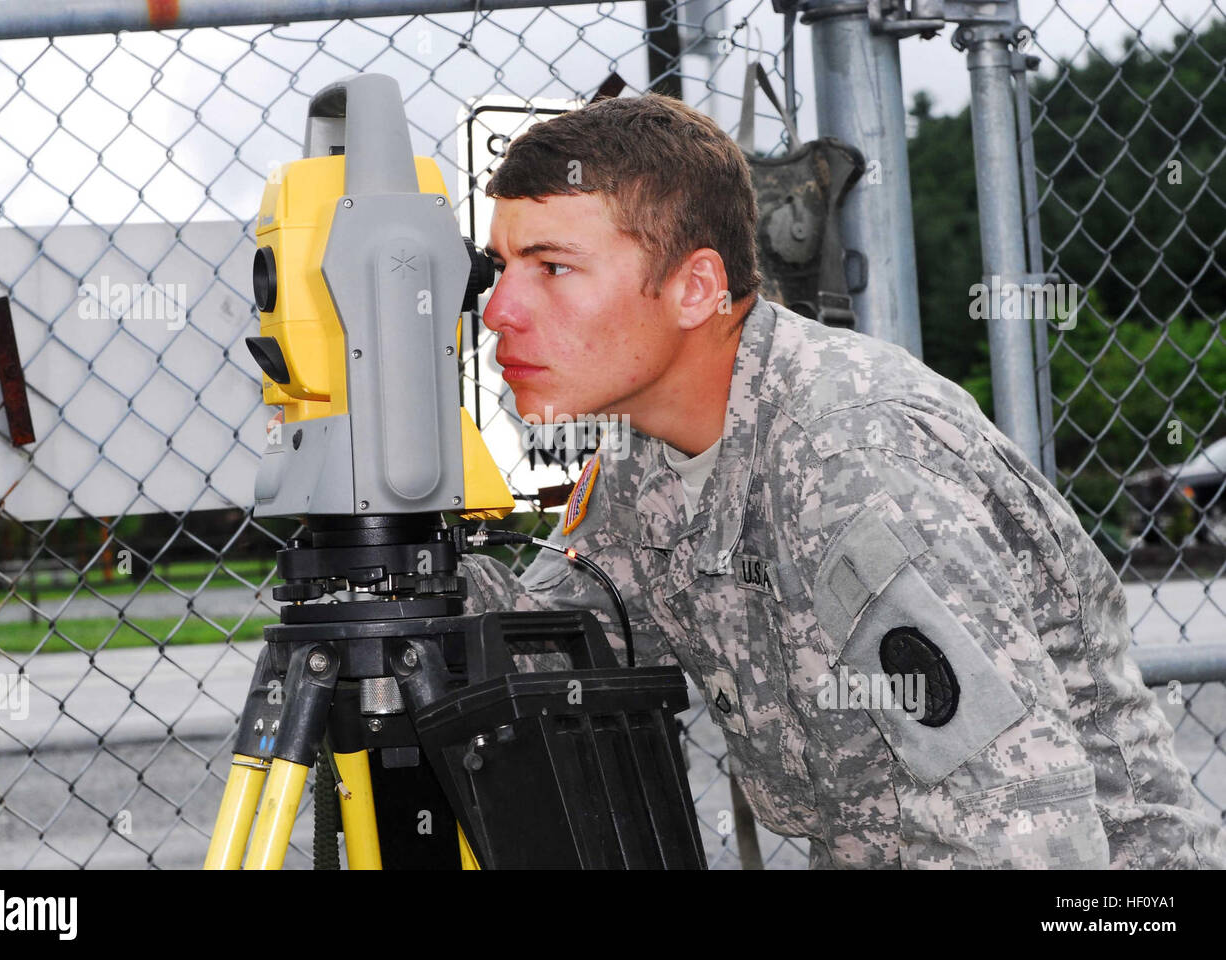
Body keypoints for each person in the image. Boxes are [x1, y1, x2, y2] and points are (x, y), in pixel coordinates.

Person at [457, 91, 1225, 869]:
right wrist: (378, 548)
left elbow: (1024, 842)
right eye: (501, 268)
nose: (500, 311)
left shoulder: (853, 459)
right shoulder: (645, 458)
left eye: (552, 267)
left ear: (695, 288)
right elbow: (548, 647)